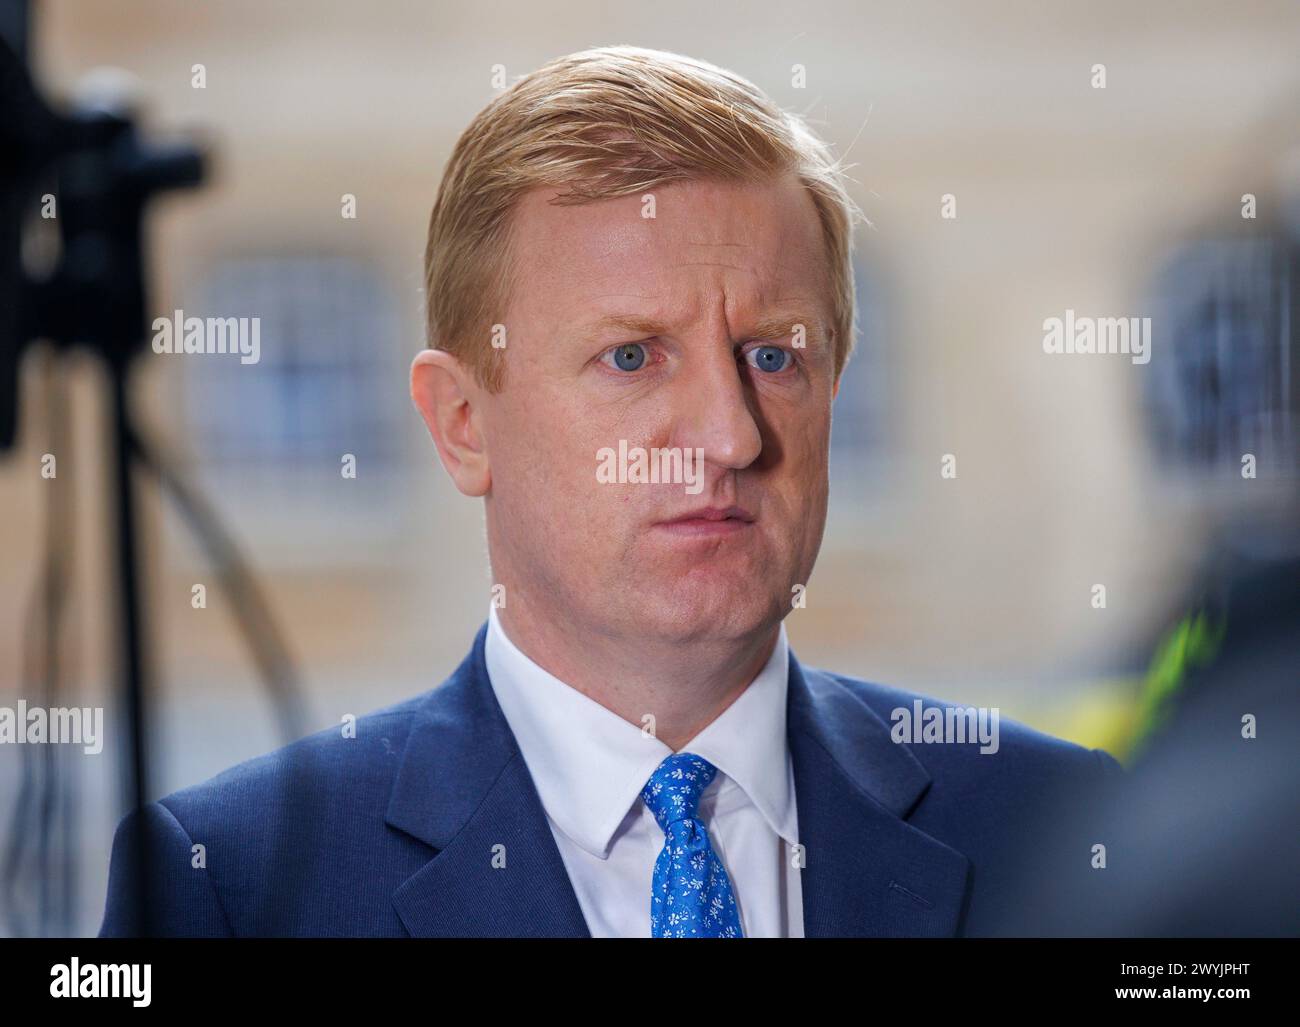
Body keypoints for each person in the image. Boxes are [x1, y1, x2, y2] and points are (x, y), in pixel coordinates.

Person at [100, 45, 1119, 938]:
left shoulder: (1077, 830)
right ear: (461, 423)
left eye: (771, 356)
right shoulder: (228, 885)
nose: (729, 436)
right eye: (632, 356)